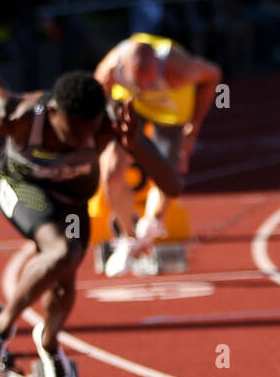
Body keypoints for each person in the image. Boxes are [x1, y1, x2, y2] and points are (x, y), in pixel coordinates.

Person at [0, 46, 182, 377]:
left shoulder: (111, 123)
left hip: (71, 197)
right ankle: (0, 327)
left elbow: (173, 183)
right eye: (74, 134)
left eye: (90, 133)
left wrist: (137, 145)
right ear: (53, 111)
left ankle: (50, 344)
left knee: (66, 267)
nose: (85, 141)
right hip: (20, 183)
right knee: (60, 252)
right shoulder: (12, 114)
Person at [93, 33, 222, 276]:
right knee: (110, 171)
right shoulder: (110, 70)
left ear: (159, 70)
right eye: (137, 82)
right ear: (125, 70)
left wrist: (193, 129)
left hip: (171, 116)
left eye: (149, 82)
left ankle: (151, 228)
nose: (144, 87)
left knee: (168, 178)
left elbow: (214, 74)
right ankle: (128, 238)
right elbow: (97, 99)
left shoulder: (180, 69)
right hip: (132, 108)